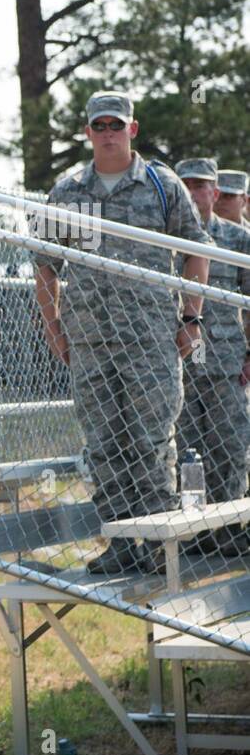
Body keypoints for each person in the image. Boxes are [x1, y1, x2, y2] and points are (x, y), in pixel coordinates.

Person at [34, 90, 210, 575]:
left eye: (117, 125)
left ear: (133, 129)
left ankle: (157, 546)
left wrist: (191, 317)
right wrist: (55, 329)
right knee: (104, 445)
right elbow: (45, 267)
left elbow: (197, 251)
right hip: (89, 342)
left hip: (152, 340)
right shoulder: (68, 193)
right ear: (88, 132)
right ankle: (119, 540)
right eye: (99, 126)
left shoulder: (160, 185)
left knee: (151, 443)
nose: (108, 133)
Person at [173, 161, 250, 556]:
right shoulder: (167, 239)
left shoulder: (238, 241)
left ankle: (230, 524)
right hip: (182, 362)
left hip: (224, 360)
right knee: (189, 448)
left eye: (200, 186)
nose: (192, 192)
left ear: (215, 194)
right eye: (184, 184)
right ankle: (197, 528)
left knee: (231, 445)